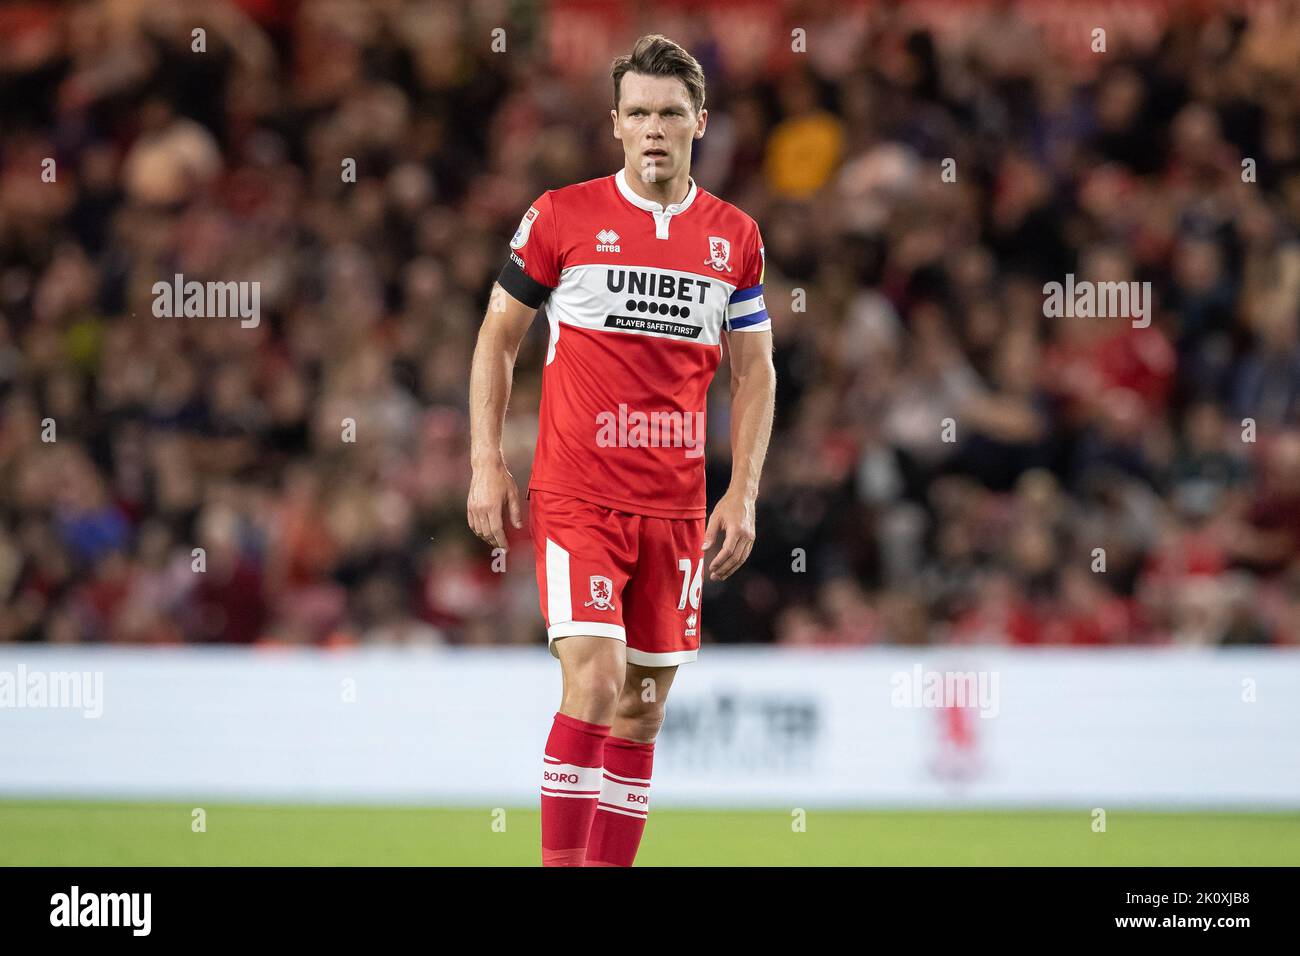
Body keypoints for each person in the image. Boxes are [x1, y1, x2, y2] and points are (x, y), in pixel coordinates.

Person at [467, 34, 776, 866]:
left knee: (642, 711)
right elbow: (499, 337)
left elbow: (756, 373)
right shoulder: (561, 216)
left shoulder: (734, 238)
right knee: (597, 684)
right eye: (637, 113)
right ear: (614, 124)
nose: (653, 129)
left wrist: (741, 492)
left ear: (699, 122)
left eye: (670, 114)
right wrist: (485, 460)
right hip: (577, 495)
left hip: (676, 508)